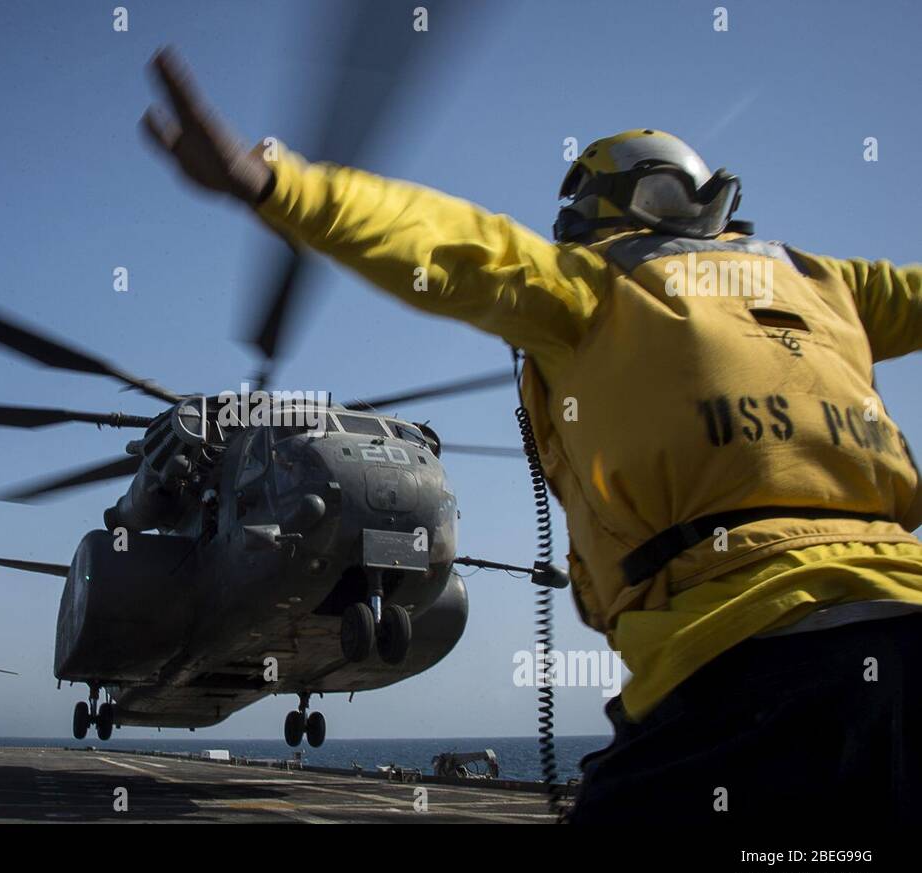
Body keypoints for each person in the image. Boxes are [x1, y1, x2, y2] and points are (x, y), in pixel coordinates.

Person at [141, 48, 922, 825]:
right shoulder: (825, 284)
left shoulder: (589, 283)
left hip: (742, 665)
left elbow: (452, 245)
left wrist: (281, 185)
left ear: (595, 213)